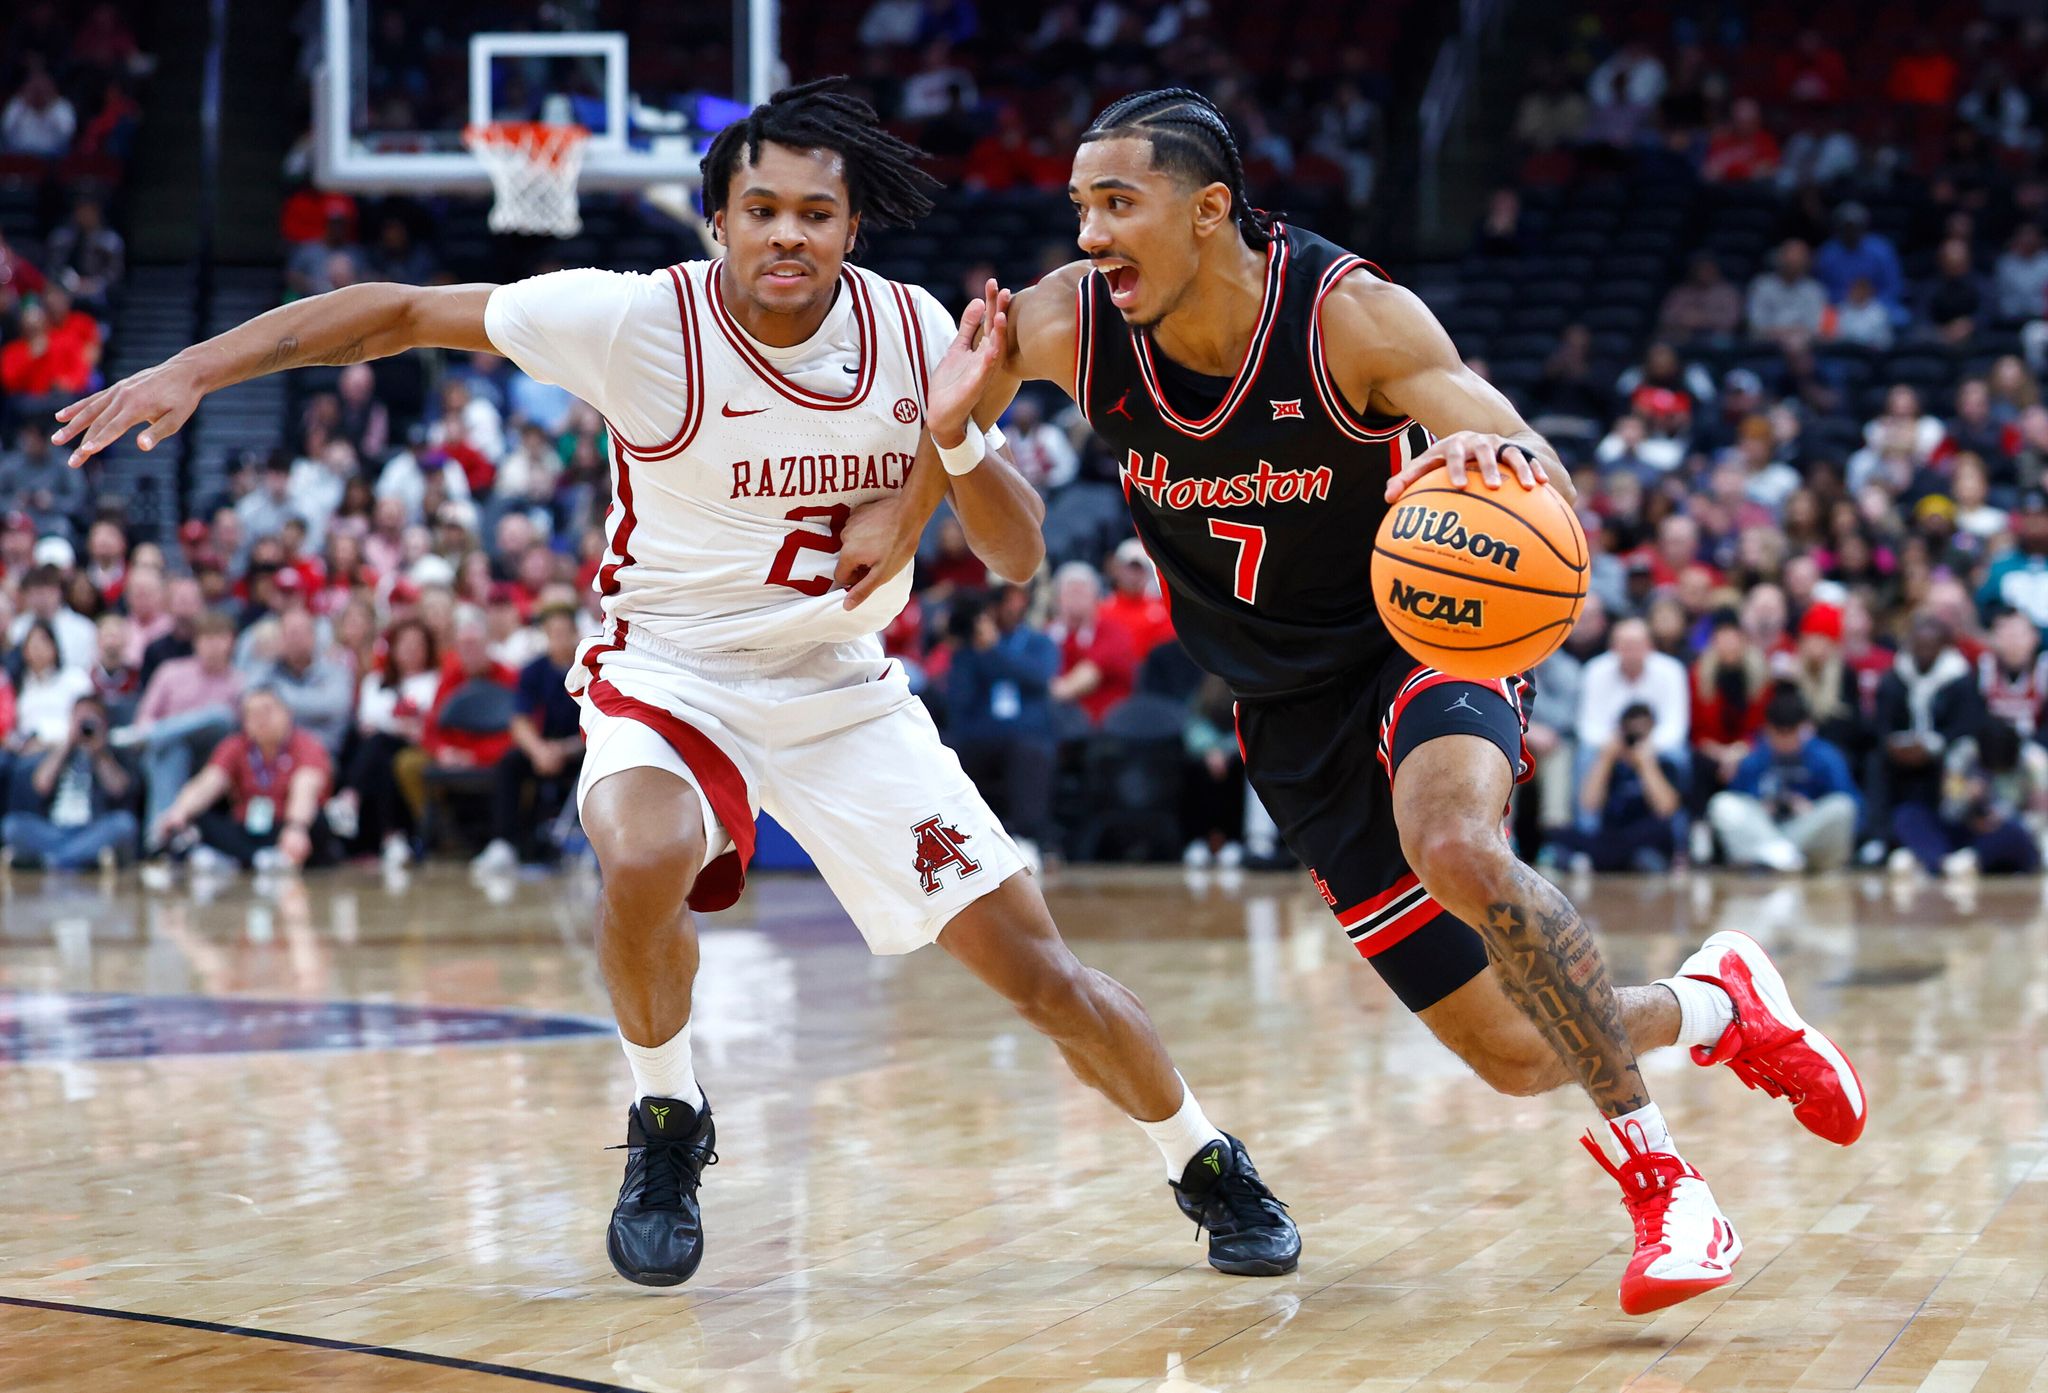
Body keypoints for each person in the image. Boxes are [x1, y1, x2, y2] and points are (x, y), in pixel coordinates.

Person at [58, 78, 1298, 1289]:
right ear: (719, 221)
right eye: (761, 210)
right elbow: (396, 312)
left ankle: (1203, 1158)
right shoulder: (636, 322)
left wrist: (954, 442)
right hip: (670, 670)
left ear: (851, 227)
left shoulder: (915, 331)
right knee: (641, 850)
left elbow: (1019, 552)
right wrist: (195, 372)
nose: (787, 235)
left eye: (814, 213)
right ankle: (666, 1122)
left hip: (837, 688)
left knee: (1039, 973)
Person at [941, 85, 1866, 1313]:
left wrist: (1494, 462)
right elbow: (997, 540)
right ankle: (1712, 1004)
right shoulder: (1063, 326)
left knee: (1452, 840)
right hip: (1283, 707)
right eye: (1078, 207)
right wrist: (952, 446)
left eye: (1119, 203)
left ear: (1209, 211)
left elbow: (1530, 462)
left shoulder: (1350, 319)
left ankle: (1665, 1185)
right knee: (1512, 1053)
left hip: (1423, 629)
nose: (1090, 234)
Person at [151, 686, 332, 875]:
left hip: (287, 825)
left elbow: (305, 787)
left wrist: (296, 827)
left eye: (267, 711)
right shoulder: (235, 745)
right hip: (247, 827)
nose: (261, 719)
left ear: (287, 713)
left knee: (318, 823)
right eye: (252, 714)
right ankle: (254, 859)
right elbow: (209, 781)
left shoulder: (307, 744)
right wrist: (179, 811)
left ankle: (245, 859)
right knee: (197, 820)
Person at [473, 605, 584, 871]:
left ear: (576, 633)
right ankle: (504, 843)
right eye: (552, 632)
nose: (558, 638)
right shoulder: (533, 670)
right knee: (510, 763)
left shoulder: (591, 670)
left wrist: (564, 749)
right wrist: (539, 751)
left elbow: (603, 722)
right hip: (544, 750)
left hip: (582, 748)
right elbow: (519, 720)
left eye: (563, 632)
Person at [1707, 688, 1861, 872]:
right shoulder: (1754, 756)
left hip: (1804, 831)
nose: (1785, 740)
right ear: (1767, 729)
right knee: (1722, 804)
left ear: (1805, 728)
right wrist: (1763, 807)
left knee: (1842, 807)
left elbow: (1852, 805)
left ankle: (1780, 858)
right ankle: (1781, 857)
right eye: (1779, 733)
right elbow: (1740, 800)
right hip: (1765, 831)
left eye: (1792, 732)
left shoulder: (1826, 756)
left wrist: (1810, 807)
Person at [124, 610, 244, 835]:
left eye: (219, 638)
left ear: (231, 642)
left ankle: (157, 837)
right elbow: (145, 717)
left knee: (220, 715)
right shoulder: (170, 672)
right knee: (174, 750)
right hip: (166, 752)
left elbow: (240, 734)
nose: (213, 646)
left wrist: (151, 733)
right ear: (196, 642)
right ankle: (160, 837)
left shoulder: (239, 683)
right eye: (207, 638)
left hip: (213, 758)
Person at [1893, 718, 2048, 877]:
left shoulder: (2035, 761)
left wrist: (2002, 819)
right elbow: (1949, 810)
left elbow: (2040, 820)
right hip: (1964, 830)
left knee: (2014, 836)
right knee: (1908, 814)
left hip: (2003, 832)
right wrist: (1967, 796)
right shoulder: (1962, 753)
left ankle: (1932, 860)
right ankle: (1944, 862)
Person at [1, 694, 136, 870]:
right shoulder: (58, 751)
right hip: (53, 830)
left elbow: (119, 789)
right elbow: (41, 785)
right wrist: (67, 745)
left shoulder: (111, 752)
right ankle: (82, 860)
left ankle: (52, 861)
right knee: (12, 826)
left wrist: (99, 753)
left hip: (91, 829)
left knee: (124, 824)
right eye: (79, 717)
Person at [1546, 703, 1685, 872]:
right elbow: (1588, 804)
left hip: (1645, 840)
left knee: (1653, 842)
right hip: (1612, 836)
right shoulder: (1612, 766)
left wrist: (1646, 765)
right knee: (1561, 834)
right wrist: (1606, 759)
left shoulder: (1665, 764)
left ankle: (1592, 861)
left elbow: (1666, 809)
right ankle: (1605, 858)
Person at [1046, 560, 1137, 723]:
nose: (1076, 598)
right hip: (1056, 724)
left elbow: (1087, 677)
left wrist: (1046, 690)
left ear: (1096, 597)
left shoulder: (1113, 632)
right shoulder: (1047, 634)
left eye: (1082, 592)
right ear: (1057, 598)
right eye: (1070, 591)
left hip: (1105, 725)